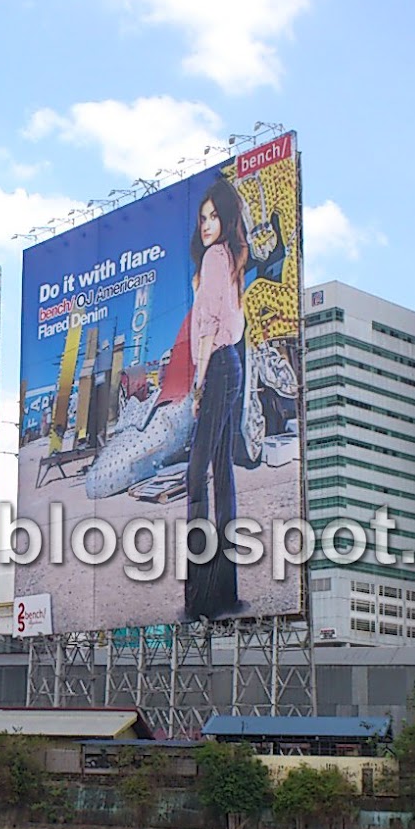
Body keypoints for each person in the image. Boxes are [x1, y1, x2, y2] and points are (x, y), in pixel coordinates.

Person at [183, 179, 251, 622]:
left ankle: (201, 595)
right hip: (234, 365)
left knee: (196, 474)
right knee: (222, 474)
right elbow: (236, 323)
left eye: (214, 216)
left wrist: (198, 383)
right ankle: (224, 592)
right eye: (202, 217)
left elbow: (208, 327)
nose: (207, 225)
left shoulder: (214, 258)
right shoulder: (229, 259)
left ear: (226, 219)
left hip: (219, 367)